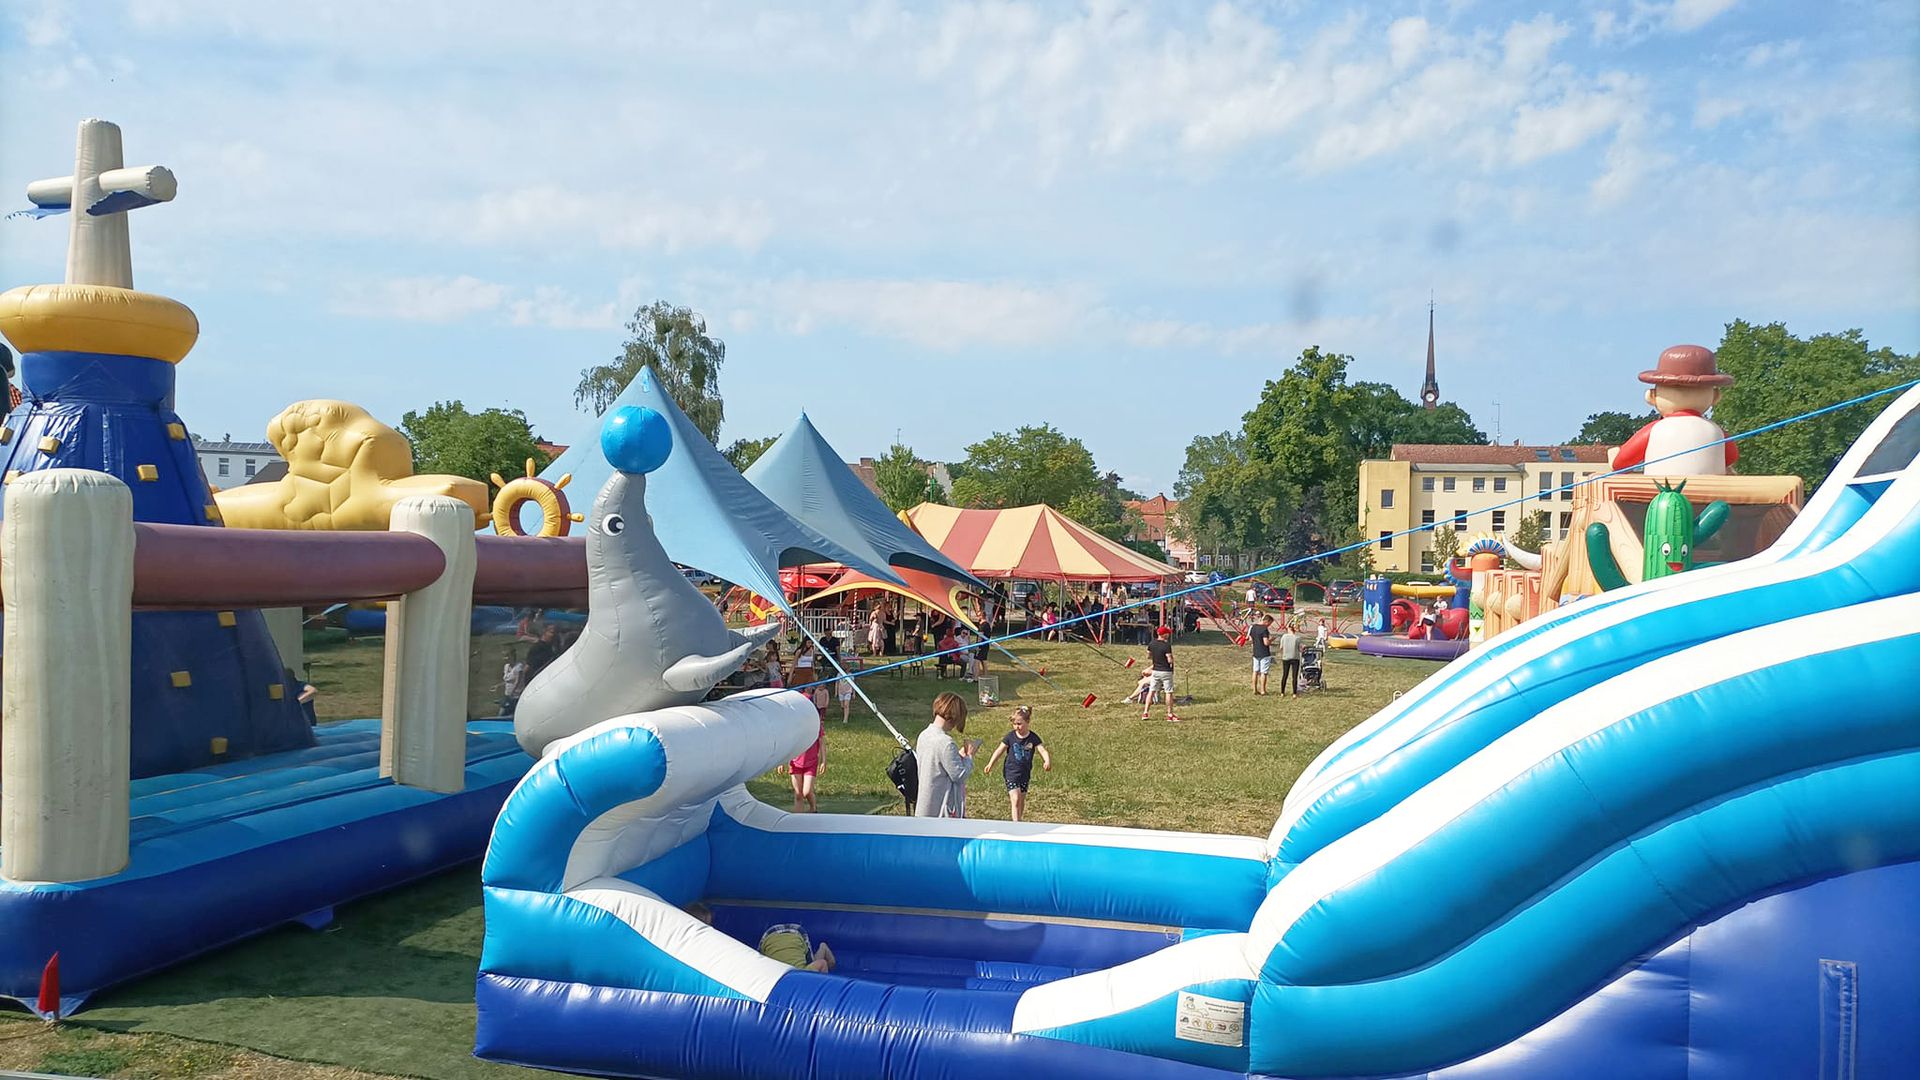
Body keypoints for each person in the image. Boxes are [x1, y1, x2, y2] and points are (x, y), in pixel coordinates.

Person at [983, 706, 1052, 822]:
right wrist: (991, 763)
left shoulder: (1033, 738)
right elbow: (999, 750)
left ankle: (1019, 820)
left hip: (1024, 774)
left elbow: (1042, 750)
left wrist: (1047, 760)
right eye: (1014, 724)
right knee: (1015, 799)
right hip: (1011, 773)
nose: (1017, 727)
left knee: (1021, 800)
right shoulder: (1010, 736)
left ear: (1028, 722)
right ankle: (1015, 824)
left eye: (1019, 724)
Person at [914, 691, 976, 817]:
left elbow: (938, 763)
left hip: (924, 804)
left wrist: (958, 756)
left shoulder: (924, 735)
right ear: (954, 717)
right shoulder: (946, 742)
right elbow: (959, 775)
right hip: (941, 810)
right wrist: (969, 756)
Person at [788, 688, 827, 812]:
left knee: (806, 791)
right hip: (795, 762)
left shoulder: (816, 723)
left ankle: (813, 808)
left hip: (811, 762)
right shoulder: (793, 724)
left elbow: (821, 742)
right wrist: (782, 761)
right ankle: (798, 820)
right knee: (798, 793)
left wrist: (823, 761)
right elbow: (788, 743)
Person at [758, 923, 837, 973]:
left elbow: (822, 963)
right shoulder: (801, 974)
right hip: (772, 936)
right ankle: (822, 947)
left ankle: (823, 947)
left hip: (784, 934)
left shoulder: (801, 973)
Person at [1142, 626, 1177, 723]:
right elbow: (1169, 659)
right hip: (1166, 671)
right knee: (1168, 692)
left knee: (1151, 691)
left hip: (1155, 671)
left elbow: (1148, 655)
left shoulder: (1152, 643)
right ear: (1164, 634)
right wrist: (1172, 660)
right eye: (1168, 633)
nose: (1169, 635)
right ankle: (1170, 714)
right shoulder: (1166, 645)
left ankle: (1145, 713)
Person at [1248, 613, 1274, 696]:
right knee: (1263, 672)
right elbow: (1266, 642)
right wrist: (1272, 640)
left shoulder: (1253, 627)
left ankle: (1254, 689)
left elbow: (1250, 640)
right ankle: (1263, 690)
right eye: (1269, 624)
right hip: (1264, 653)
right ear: (1266, 621)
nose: (1269, 626)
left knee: (1255, 671)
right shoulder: (1264, 629)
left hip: (1255, 652)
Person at [1277, 619, 1302, 697]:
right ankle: (1294, 693)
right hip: (1295, 657)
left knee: (1285, 675)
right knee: (1294, 676)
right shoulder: (1297, 638)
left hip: (1286, 657)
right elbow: (1300, 649)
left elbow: (1281, 647)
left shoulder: (1284, 636)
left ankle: (1282, 692)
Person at [502, 648, 529, 713]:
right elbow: (507, 680)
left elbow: (517, 681)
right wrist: (498, 686)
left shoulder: (518, 667)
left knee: (513, 713)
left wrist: (512, 692)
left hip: (516, 696)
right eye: (504, 656)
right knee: (502, 713)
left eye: (506, 656)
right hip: (507, 695)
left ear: (512, 656)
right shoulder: (506, 666)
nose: (504, 658)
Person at [835, 655, 857, 722]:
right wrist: (836, 692)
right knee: (842, 705)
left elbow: (853, 685)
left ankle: (845, 719)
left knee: (846, 705)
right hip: (841, 691)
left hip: (848, 692)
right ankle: (844, 713)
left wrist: (853, 693)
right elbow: (837, 683)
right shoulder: (839, 675)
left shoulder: (850, 675)